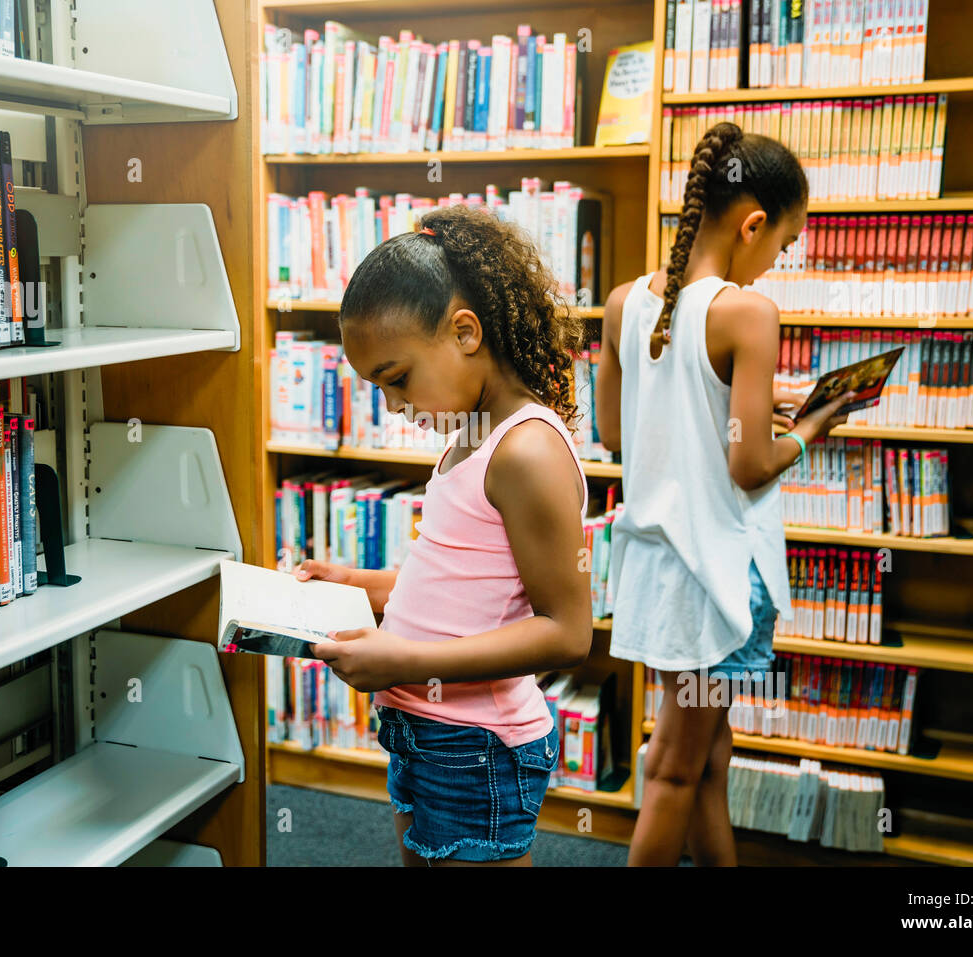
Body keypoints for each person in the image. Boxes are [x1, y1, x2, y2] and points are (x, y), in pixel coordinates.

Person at [297, 204, 593, 866]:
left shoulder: (526, 453)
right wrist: (364, 583)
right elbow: (464, 584)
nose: (394, 407)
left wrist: (407, 661)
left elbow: (567, 632)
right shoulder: (469, 435)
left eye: (398, 379)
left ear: (465, 332)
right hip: (423, 729)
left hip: (477, 745)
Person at [594, 121, 852, 866]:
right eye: (784, 242)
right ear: (752, 223)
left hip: (657, 573)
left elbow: (618, 429)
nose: (779, 260)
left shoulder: (622, 303)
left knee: (710, 754)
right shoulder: (748, 313)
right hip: (713, 580)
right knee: (675, 764)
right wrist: (814, 427)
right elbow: (748, 467)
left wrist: (726, 413)